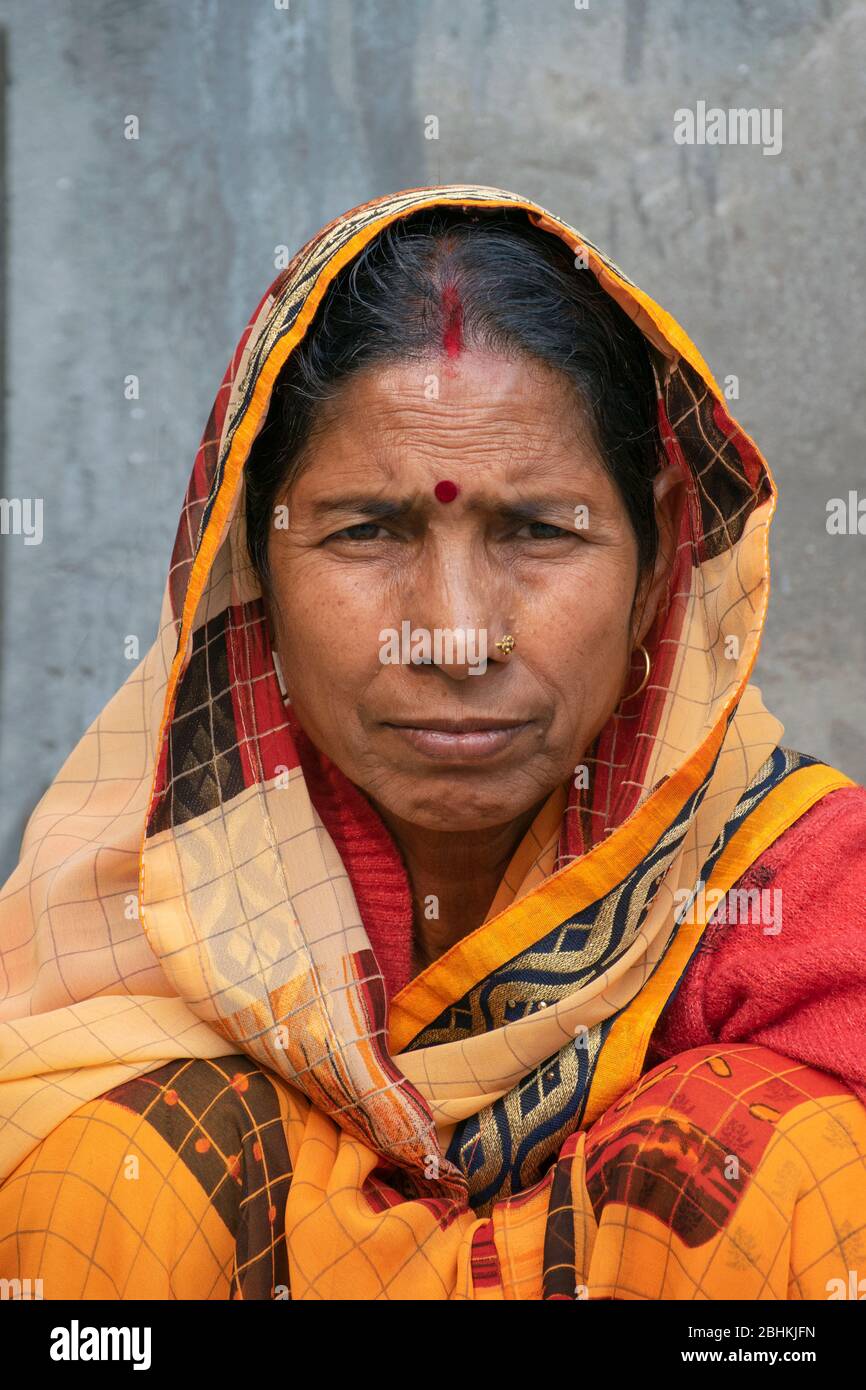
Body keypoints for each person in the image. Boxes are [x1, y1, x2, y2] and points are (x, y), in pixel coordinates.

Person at [1, 184, 864, 1301]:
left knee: (789, 1162)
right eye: (368, 530)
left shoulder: (787, 885)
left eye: (537, 530)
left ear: (653, 560)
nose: (453, 635)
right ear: (249, 563)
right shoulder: (149, 906)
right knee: (106, 1169)